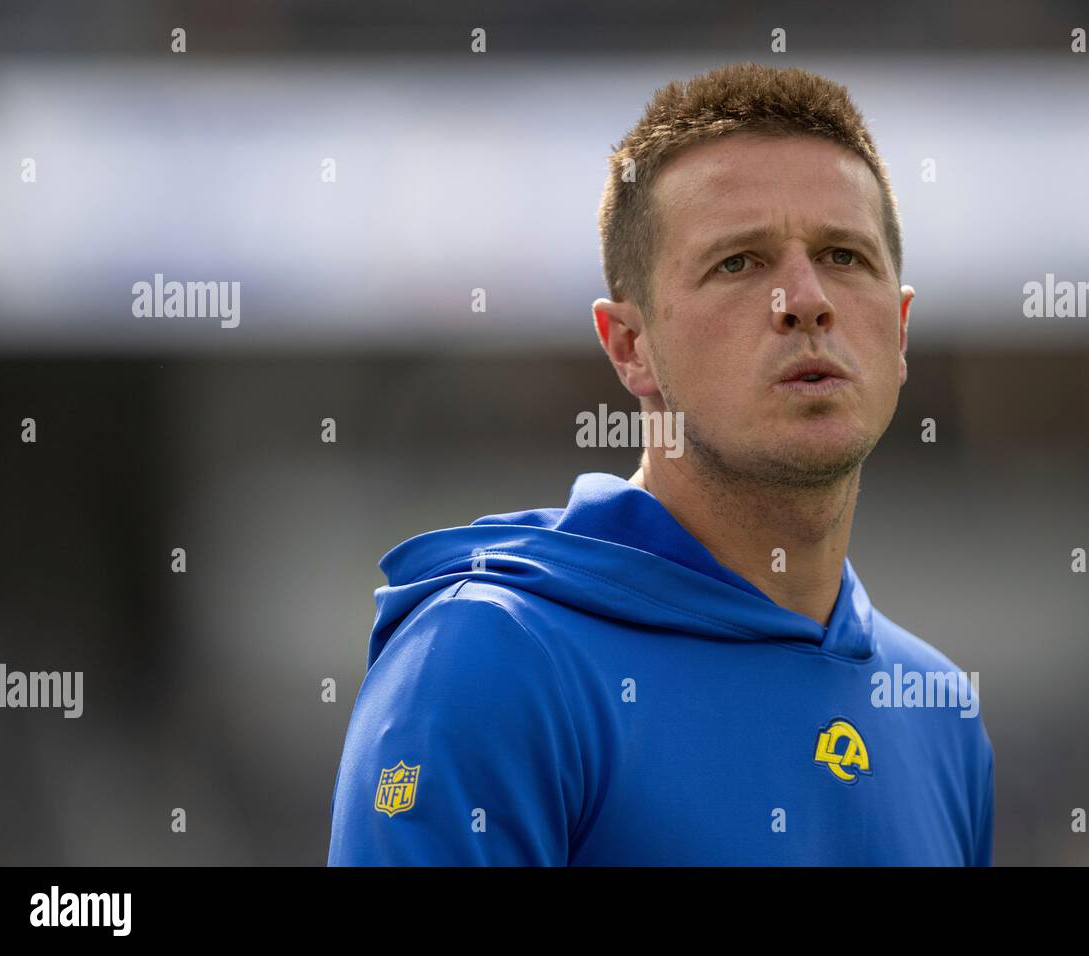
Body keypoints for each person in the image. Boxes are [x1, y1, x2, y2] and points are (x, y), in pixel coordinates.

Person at [328, 61, 994, 865]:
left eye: (845, 256)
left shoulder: (941, 712)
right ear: (630, 347)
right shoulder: (490, 666)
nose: (805, 299)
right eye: (739, 262)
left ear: (900, 330)